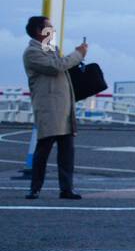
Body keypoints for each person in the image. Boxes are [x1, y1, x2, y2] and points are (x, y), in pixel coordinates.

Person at [22, 16, 87, 200]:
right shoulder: (32, 53)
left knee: (67, 152)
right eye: (49, 27)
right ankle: (35, 187)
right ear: (38, 30)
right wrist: (78, 54)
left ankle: (66, 188)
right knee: (44, 149)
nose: (53, 30)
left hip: (64, 108)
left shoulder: (50, 49)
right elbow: (56, 67)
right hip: (49, 108)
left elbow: (61, 67)